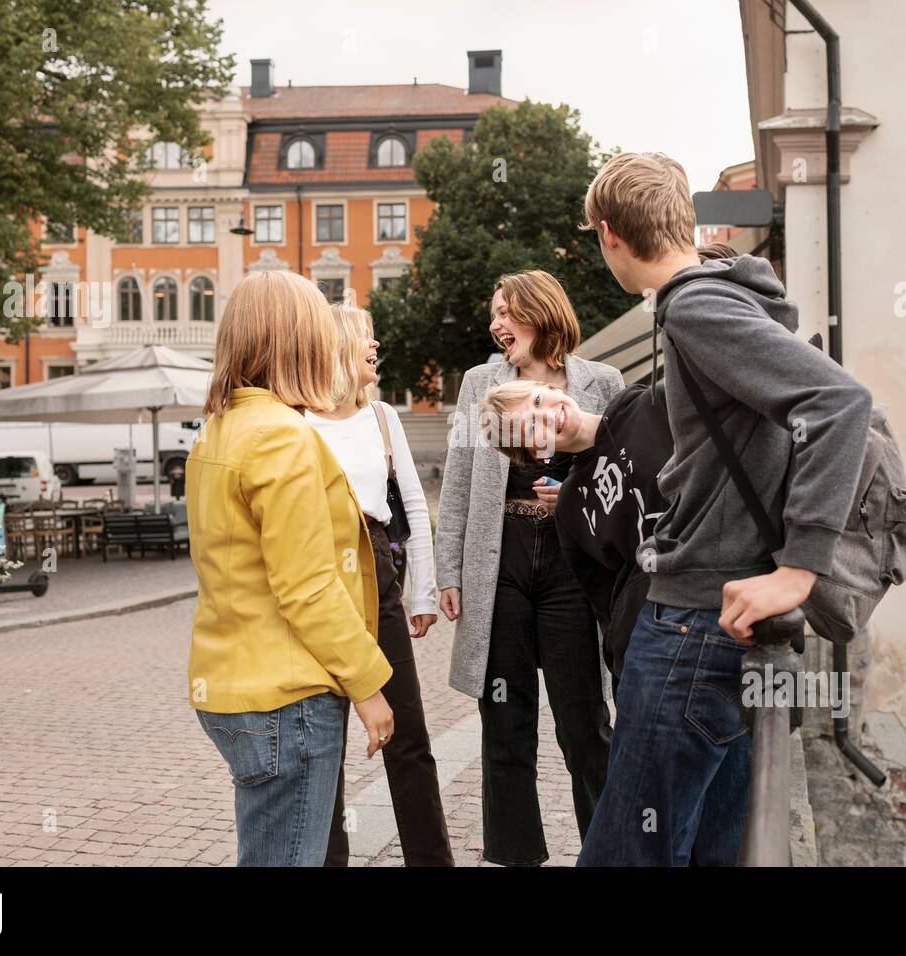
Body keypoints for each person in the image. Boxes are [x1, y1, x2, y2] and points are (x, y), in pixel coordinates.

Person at [576, 152, 874, 866]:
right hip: (725, 623)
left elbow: (839, 402)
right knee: (713, 850)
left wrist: (800, 568)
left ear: (610, 233)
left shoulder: (699, 306)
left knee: (627, 854)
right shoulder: (728, 295)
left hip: (694, 624)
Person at [186, 271, 394, 867]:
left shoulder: (218, 432)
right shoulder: (282, 436)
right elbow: (307, 588)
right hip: (288, 695)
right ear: (297, 342)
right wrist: (369, 684)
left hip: (234, 683)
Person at [478, 244, 739, 691]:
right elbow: (608, 591)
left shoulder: (635, 404)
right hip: (632, 623)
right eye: (531, 427)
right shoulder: (484, 388)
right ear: (535, 452)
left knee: (586, 714)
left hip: (710, 607)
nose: (548, 416)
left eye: (541, 399)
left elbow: (701, 474)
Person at [435, 269, 623, 866]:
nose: (495, 325)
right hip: (501, 567)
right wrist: (450, 572)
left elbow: (620, 472)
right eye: (494, 314)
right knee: (506, 723)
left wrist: (573, 496)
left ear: (540, 314)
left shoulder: (603, 382)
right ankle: (516, 857)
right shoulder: (478, 383)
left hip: (571, 570)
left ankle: (606, 850)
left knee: (584, 725)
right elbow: (460, 478)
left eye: (505, 312)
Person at [305, 303, 453, 867]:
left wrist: (420, 592)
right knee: (325, 740)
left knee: (409, 732)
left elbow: (412, 505)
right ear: (337, 347)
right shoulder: (297, 420)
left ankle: (431, 860)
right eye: (366, 339)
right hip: (322, 575)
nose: (375, 349)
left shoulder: (384, 417)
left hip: (378, 570)